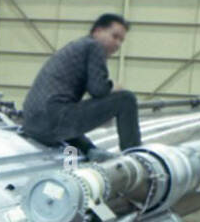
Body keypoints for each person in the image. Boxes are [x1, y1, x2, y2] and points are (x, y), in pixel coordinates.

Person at [20, 13, 141, 160]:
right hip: (53, 121)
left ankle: (89, 151)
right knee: (126, 99)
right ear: (97, 31)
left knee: (71, 120)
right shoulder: (94, 46)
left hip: (33, 124)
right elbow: (98, 90)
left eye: (121, 40)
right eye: (114, 36)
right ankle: (136, 157)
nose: (117, 44)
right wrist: (113, 87)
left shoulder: (78, 46)